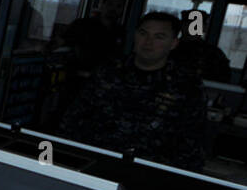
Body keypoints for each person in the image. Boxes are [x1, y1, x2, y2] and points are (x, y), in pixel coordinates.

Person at [58, 12, 207, 170]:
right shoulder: (107, 72)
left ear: (173, 43)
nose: (148, 42)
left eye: (159, 37)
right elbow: (72, 121)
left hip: (150, 172)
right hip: (96, 164)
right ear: (135, 35)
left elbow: (192, 144)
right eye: (143, 34)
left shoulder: (187, 86)